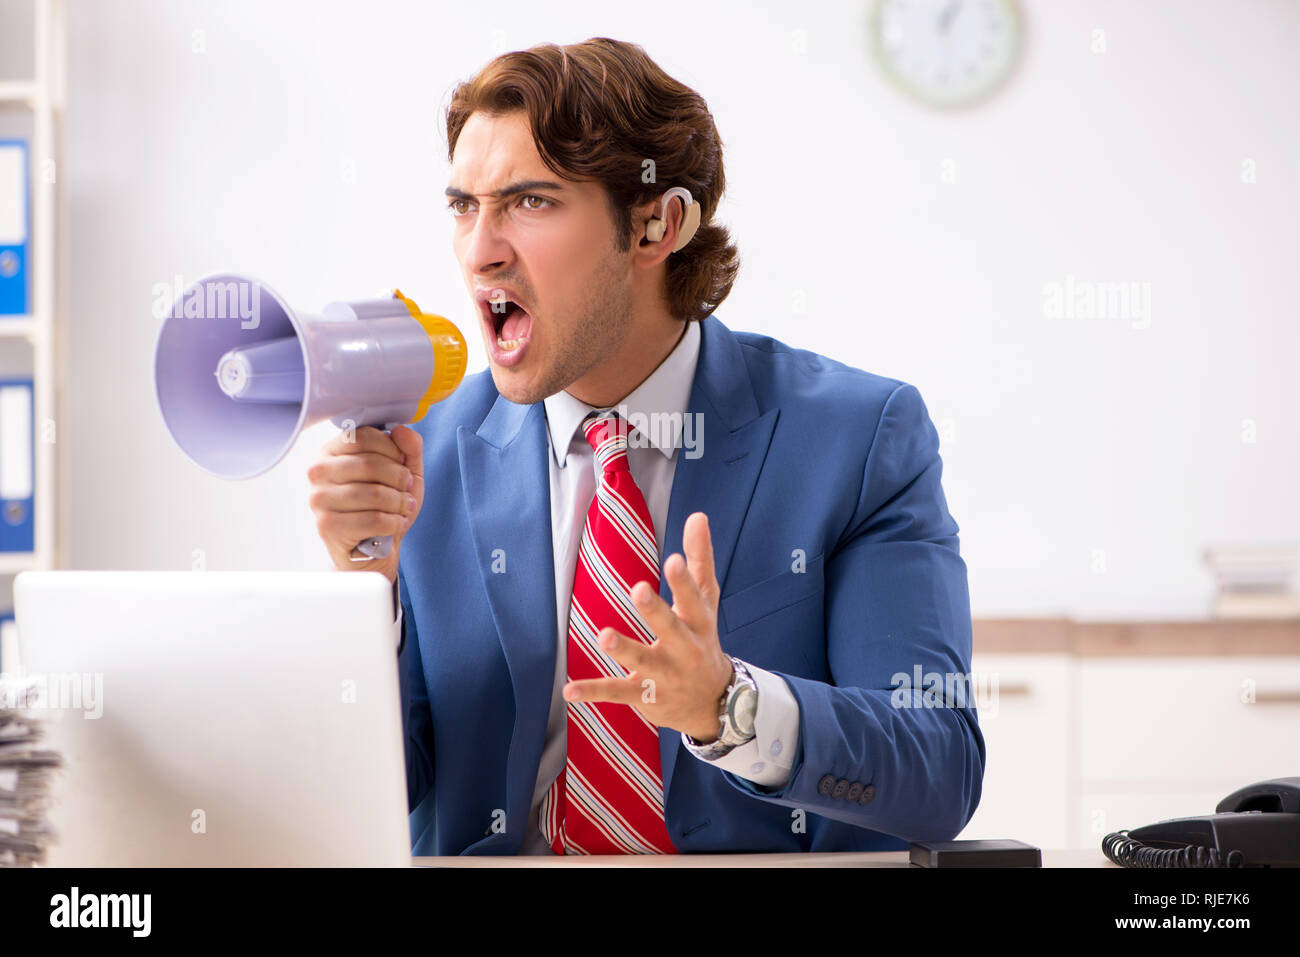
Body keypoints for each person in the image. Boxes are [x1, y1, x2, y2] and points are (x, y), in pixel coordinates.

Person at [307, 37, 984, 856]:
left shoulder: (857, 439)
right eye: (463, 205)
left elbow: (938, 769)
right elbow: (372, 799)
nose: (479, 248)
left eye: (530, 202)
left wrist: (730, 704)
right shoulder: (428, 447)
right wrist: (364, 593)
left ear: (657, 224)